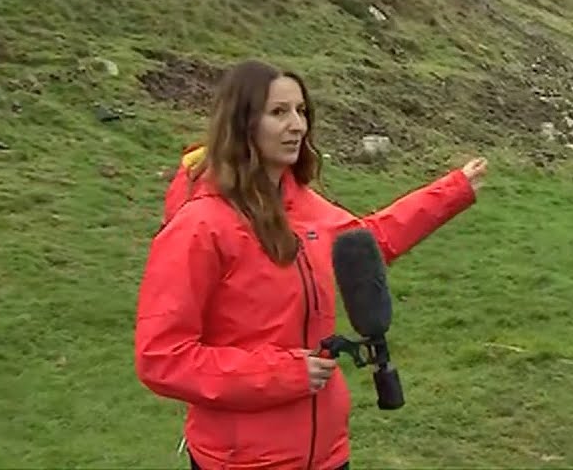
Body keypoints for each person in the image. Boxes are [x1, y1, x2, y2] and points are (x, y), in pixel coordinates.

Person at [134, 59, 487, 470]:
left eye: (301, 111)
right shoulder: (200, 226)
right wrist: (285, 374)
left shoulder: (307, 210)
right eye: (278, 112)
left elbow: (368, 244)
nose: (297, 125)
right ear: (243, 122)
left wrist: (451, 192)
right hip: (244, 461)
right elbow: (162, 358)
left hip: (326, 456)